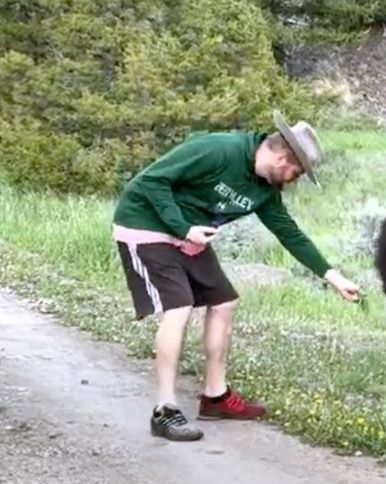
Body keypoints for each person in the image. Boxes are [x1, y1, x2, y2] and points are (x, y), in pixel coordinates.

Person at [111, 109, 360, 442]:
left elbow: (289, 233)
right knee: (179, 307)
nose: (293, 180)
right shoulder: (219, 150)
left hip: (188, 237)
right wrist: (183, 227)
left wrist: (333, 276)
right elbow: (150, 181)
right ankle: (165, 410)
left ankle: (215, 397)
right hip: (145, 223)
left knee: (224, 301)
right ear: (283, 158)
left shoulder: (264, 190)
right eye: (296, 173)